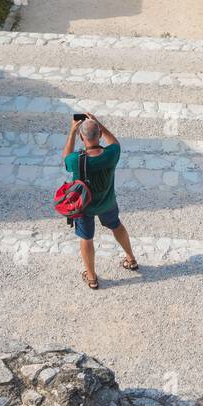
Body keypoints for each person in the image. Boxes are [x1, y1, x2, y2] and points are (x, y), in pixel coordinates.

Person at [62, 111, 139, 290]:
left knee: (86, 238)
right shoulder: (111, 154)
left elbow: (66, 157)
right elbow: (114, 141)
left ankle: (92, 278)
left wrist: (72, 132)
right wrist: (97, 123)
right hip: (107, 202)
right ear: (99, 135)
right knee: (117, 226)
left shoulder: (76, 160)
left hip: (84, 206)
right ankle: (131, 259)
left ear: (82, 137)